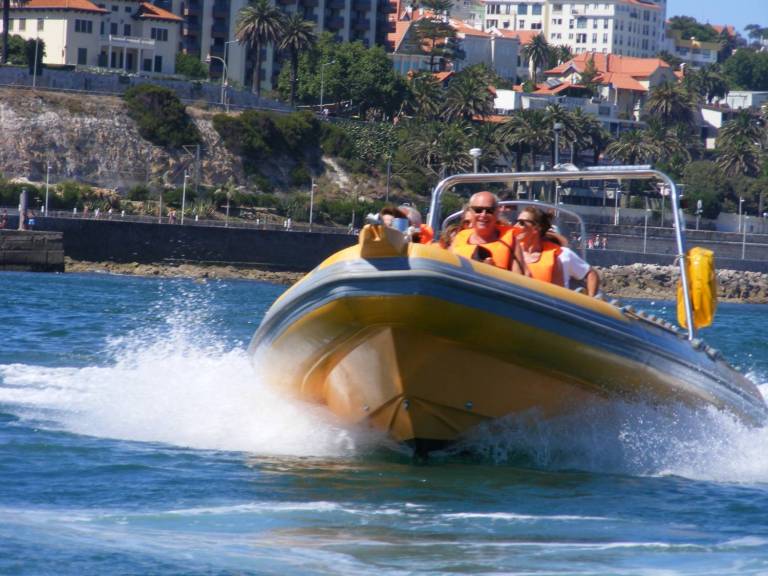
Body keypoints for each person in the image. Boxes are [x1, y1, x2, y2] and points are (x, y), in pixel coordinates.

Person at [451, 191, 523, 272]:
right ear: (471, 212)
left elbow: (518, 277)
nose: (483, 215)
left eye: (489, 210)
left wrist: (492, 270)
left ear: (497, 212)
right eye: (478, 210)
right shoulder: (459, 238)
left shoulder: (511, 241)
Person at [515, 206, 564, 286]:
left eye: (521, 223)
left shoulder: (553, 259)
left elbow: (559, 291)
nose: (515, 226)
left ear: (536, 228)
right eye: (516, 221)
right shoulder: (511, 251)